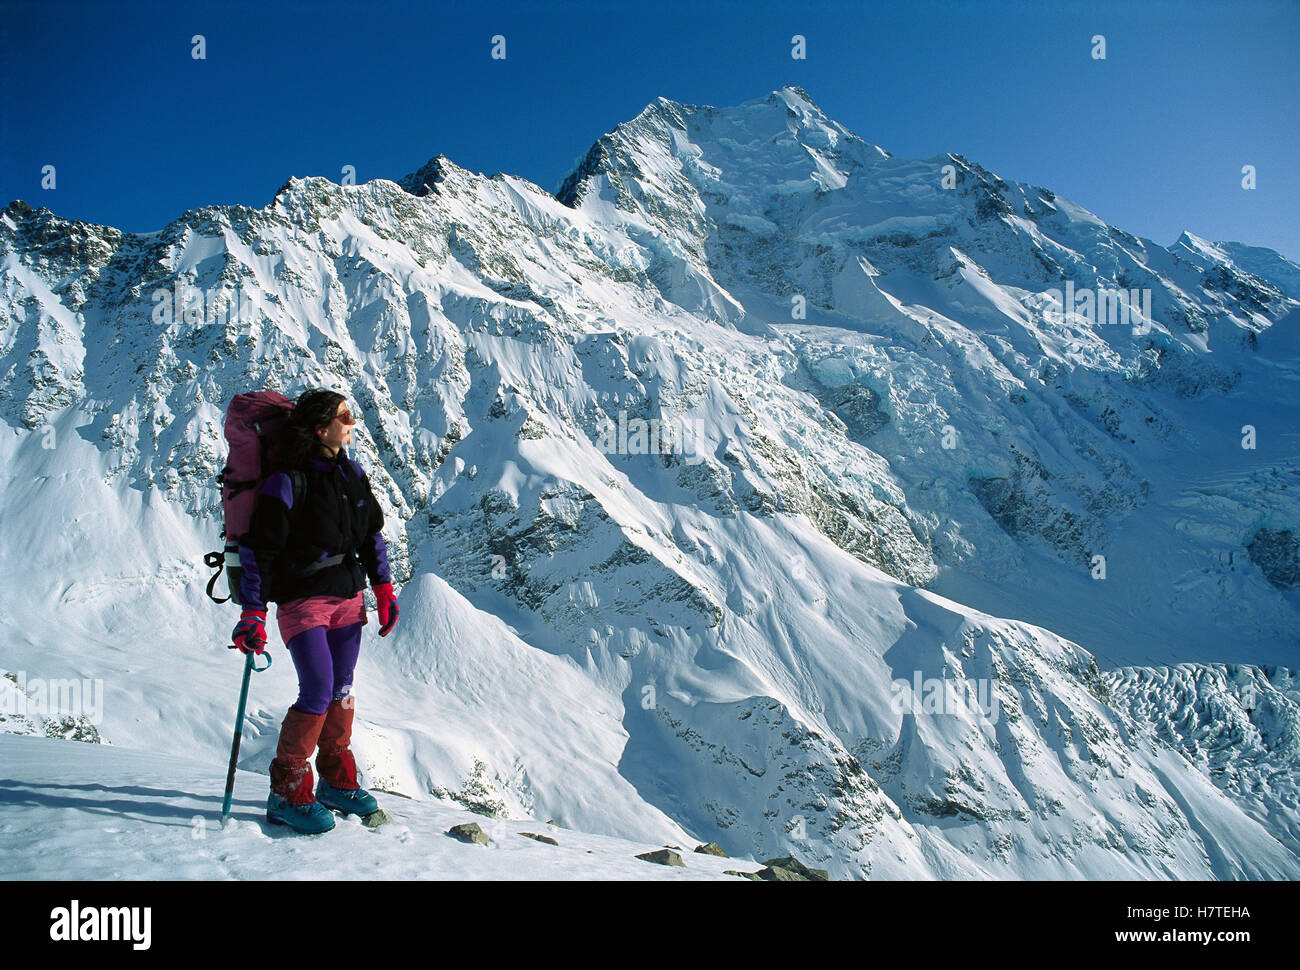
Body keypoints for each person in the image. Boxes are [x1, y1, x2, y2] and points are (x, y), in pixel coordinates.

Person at [230, 388, 400, 833]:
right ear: (321, 428)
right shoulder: (286, 481)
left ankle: (336, 783)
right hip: (303, 601)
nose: (353, 423)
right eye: (345, 415)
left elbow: (371, 536)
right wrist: (253, 612)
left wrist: (382, 587)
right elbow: (259, 551)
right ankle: (286, 791)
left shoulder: (352, 473)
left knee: (342, 689)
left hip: (347, 597)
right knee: (317, 691)